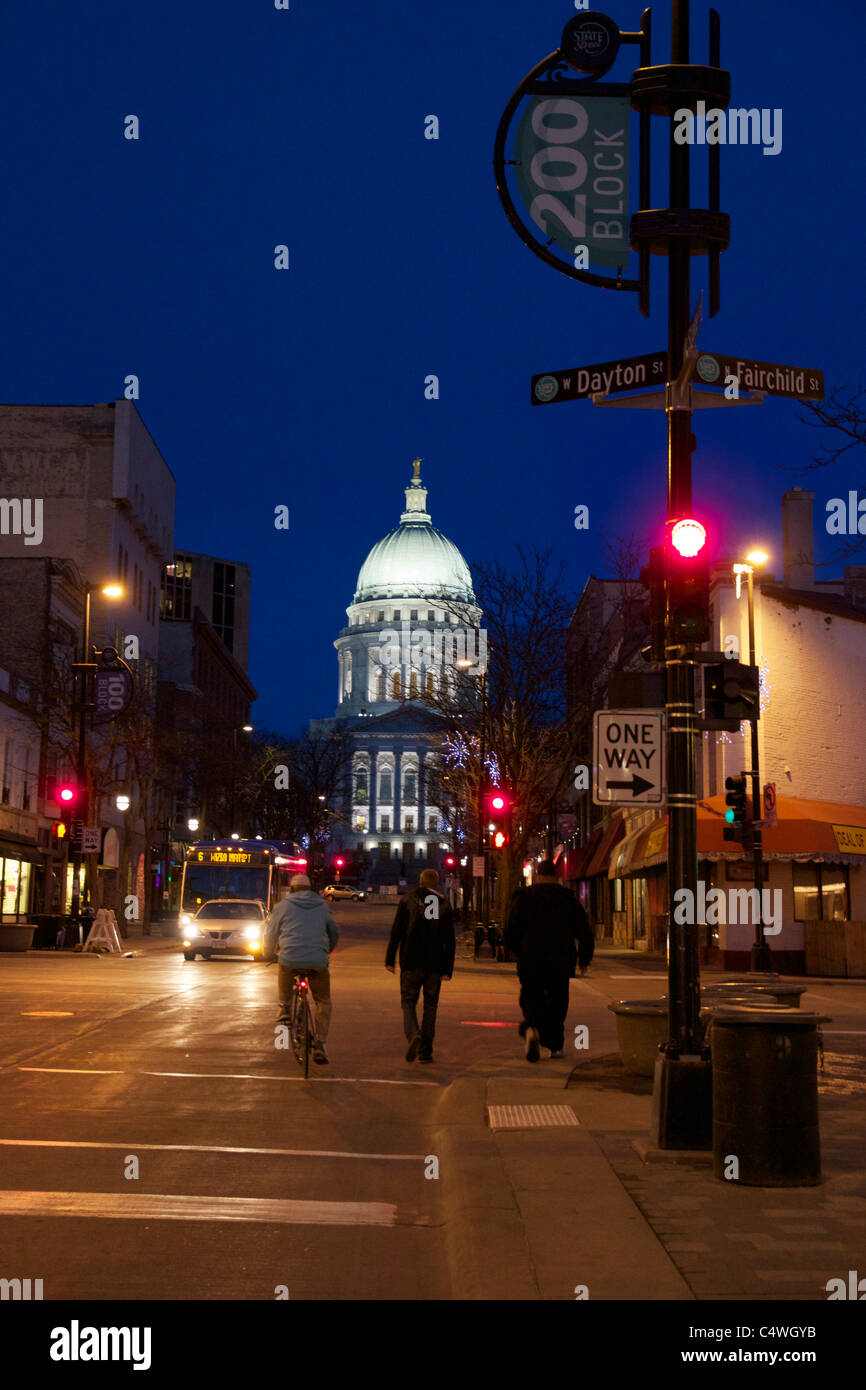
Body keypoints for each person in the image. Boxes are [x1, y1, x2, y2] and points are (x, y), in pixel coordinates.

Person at [505, 860, 594, 1062]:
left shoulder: (525, 897)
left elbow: (512, 928)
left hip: (531, 957)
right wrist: (584, 958)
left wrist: (516, 950)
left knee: (531, 995)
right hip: (561, 958)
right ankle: (555, 1044)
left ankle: (532, 1028)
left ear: (537, 874)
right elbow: (584, 930)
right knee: (558, 1000)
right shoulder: (568, 899)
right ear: (556, 876)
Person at [263, 873, 339, 1065]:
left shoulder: (282, 907)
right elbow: (334, 932)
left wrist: (269, 953)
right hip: (317, 961)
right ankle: (320, 1044)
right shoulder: (322, 906)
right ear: (310, 889)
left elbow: (270, 933)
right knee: (323, 1001)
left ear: (292, 889)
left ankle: (284, 1007)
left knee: (284, 967)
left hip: (290, 958)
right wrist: (327, 951)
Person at [385, 867, 455, 1063]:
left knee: (408, 1002)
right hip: (434, 963)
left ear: (420, 882)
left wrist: (390, 959)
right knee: (430, 1006)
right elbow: (449, 940)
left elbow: (397, 931)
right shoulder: (443, 903)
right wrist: (448, 968)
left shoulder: (408, 900)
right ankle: (426, 1050)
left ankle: (413, 1034)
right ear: (437, 883)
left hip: (411, 960)